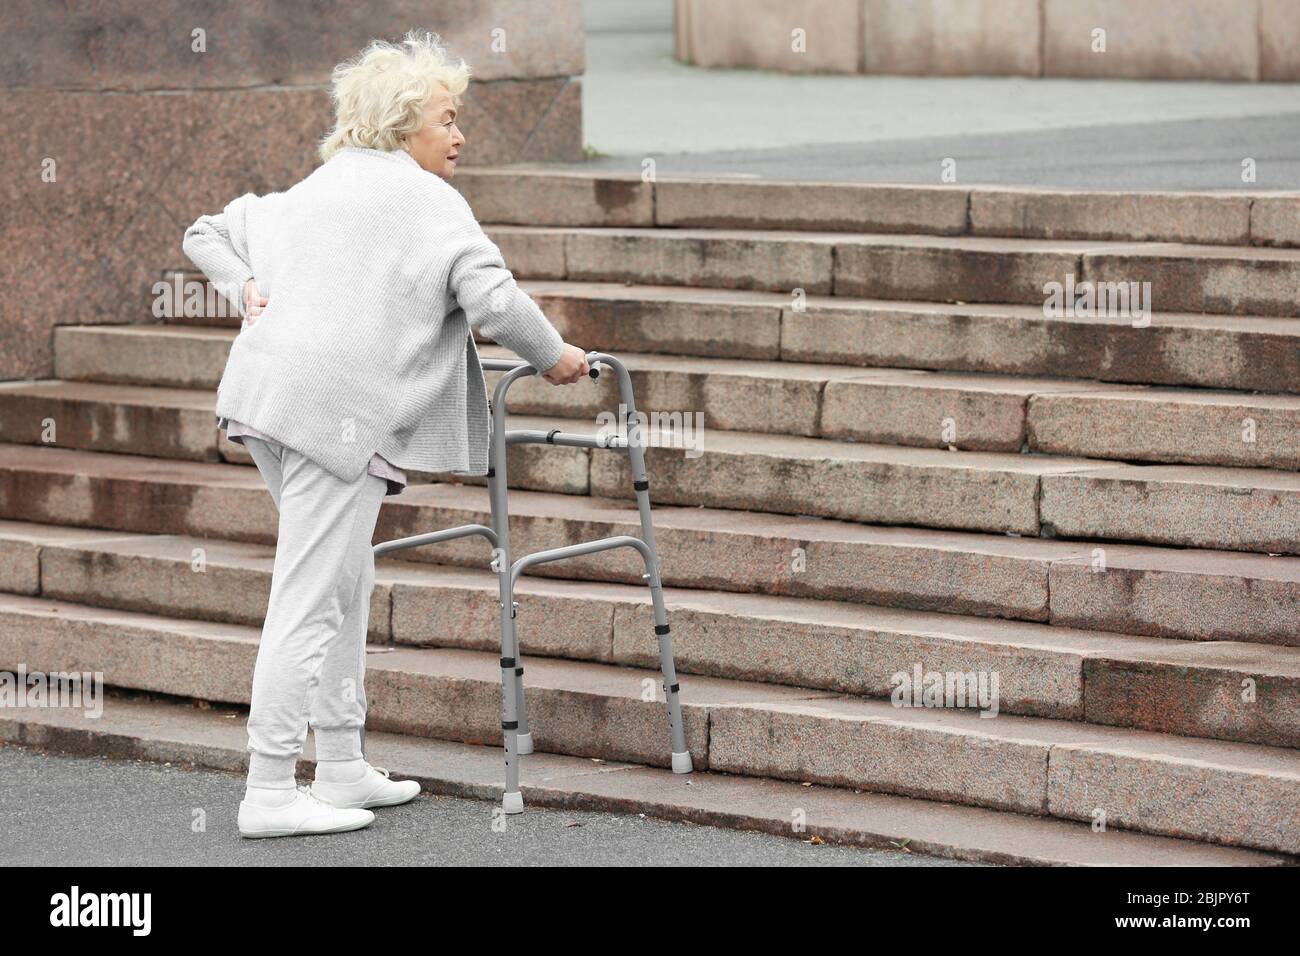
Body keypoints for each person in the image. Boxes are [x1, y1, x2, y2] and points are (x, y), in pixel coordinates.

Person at [181, 29, 589, 839]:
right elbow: (497, 303)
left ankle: (338, 765)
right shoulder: (430, 201)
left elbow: (206, 231)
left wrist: (245, 288)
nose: (459, 134)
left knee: (343, 583)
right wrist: (557, 358)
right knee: (309, 594)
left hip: (267, 402)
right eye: (447, 118)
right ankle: (268, 790)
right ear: (406, 125)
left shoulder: (317, 186)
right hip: (337, 419)